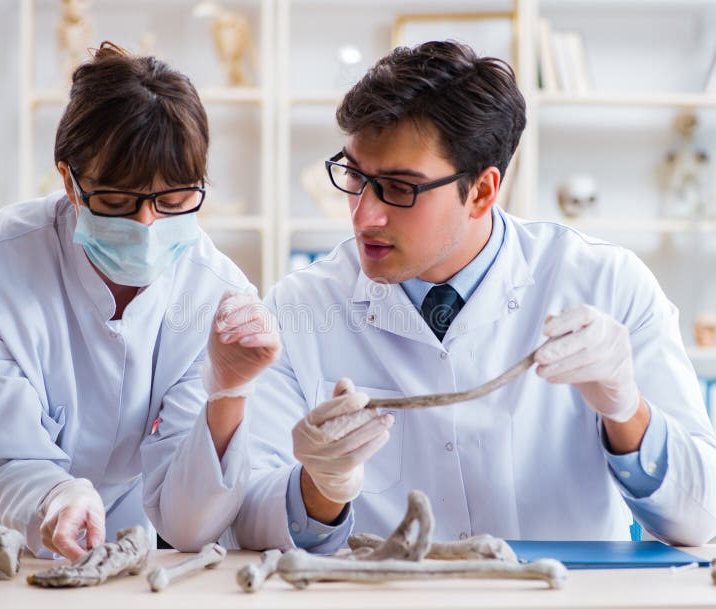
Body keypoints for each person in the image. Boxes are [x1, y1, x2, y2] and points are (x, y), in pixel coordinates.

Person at [232, 40, 716, 552]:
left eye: (399, 188)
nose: (364, 215)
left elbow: (700, 517)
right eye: (355, 176)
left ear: (483, 191)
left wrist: (627, 413)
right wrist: (321, 488)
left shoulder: (605, 282)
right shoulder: (300, 307)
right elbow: (246, 523)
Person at [0, 42, 279, 559]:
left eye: (174, 202)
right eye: (116, 203)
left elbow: (188, 524)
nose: (147, 226)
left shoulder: (216, 296)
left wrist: (227, 394)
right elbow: (0, 461)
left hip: (113, 528)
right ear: (69, 180)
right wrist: (57, 495)